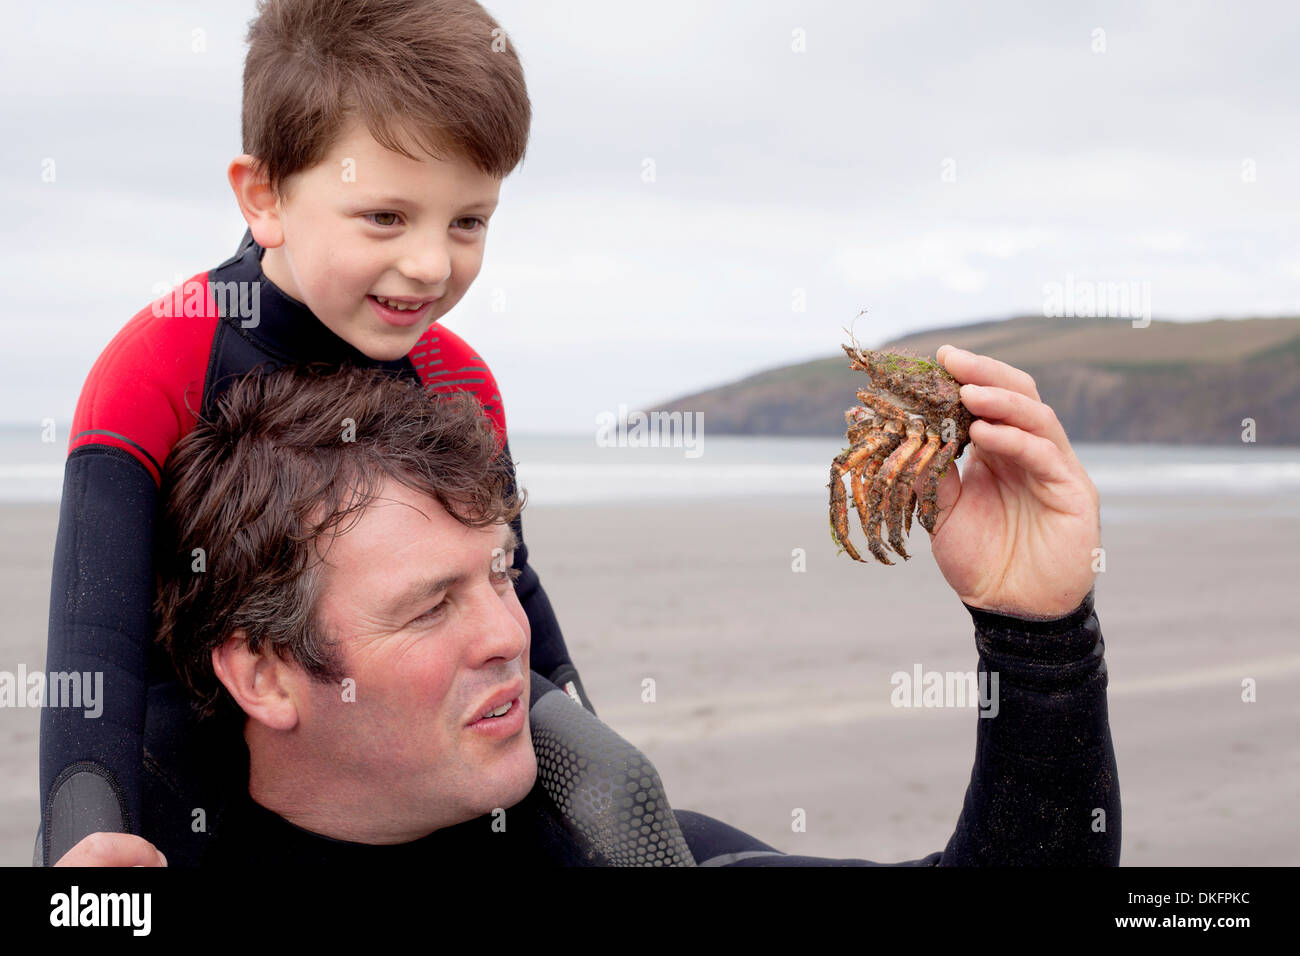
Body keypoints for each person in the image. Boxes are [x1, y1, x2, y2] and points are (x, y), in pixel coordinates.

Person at [55, 356, 1119, 867]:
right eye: (429, 606)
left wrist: (1036, 633)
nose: (509, 633)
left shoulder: (630, 850)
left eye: (500, 571)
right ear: (265, 672)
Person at [37, 0, 595, 866]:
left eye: (468, 221)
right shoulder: (162, 360)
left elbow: (511, 590)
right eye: (385, 217)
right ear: (265, 196)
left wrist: (598, 767)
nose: (431, 265)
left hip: (419, 797)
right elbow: (92, 643)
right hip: (198, 807)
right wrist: (83, 836)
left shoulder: (458, 377)